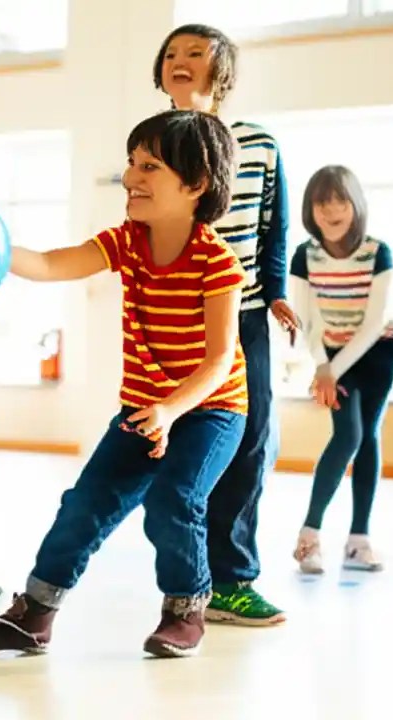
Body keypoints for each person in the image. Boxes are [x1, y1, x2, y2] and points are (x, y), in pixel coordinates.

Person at [0, 110, 246, 659]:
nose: (131, 176)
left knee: (174, 498)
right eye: (132, 163)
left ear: (197, 184)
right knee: (85, 503)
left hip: (211, 410)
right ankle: (35, 614)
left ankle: (186, 610)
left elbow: (219, 362)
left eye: (150, 166)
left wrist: (169, 412)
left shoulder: (218, 263)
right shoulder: (127, 242)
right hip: (143, 406)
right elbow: (49, 263)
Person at [152, 22, 297, 627]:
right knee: (183, 448)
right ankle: (191, 578)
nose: (181, 60)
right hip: (180, 317)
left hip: (248, 314)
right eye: (172, 54)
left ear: (223, 70)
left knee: (252, 442)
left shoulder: (258, 141)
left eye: (195, 53)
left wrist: (279, 290)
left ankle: (234, 578)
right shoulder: (154, 143)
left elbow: (275, 222)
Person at [287, 166, 393, 574]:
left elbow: (374, 323)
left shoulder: (377, 252)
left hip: (376, 354)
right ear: (310, 209)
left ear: (356, 205)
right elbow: (306, 317)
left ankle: (358, 540)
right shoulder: (305, 255)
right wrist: (323, 367)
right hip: (332, 356)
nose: (332, 211)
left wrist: (332, 369)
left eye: (340, 201)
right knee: (348, 433)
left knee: (368, 436)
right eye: (322, 202)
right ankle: (309, 535)